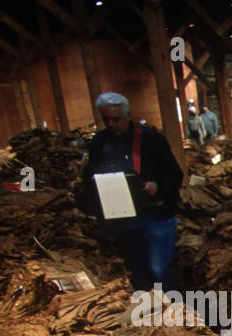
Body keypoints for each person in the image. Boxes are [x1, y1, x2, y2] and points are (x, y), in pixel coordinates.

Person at [75, 92, 183, 292]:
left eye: (115, 119)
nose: (111, 124)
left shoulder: (151, 139)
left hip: (155, 214)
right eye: (106, 119)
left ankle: (173, 313)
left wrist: (157, 185)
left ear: (127, 116)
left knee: (159, 269)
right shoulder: (100, 142)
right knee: (136, 269)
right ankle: (146, 312)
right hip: (123, 216)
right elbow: (90, 176)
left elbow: (175, 175)